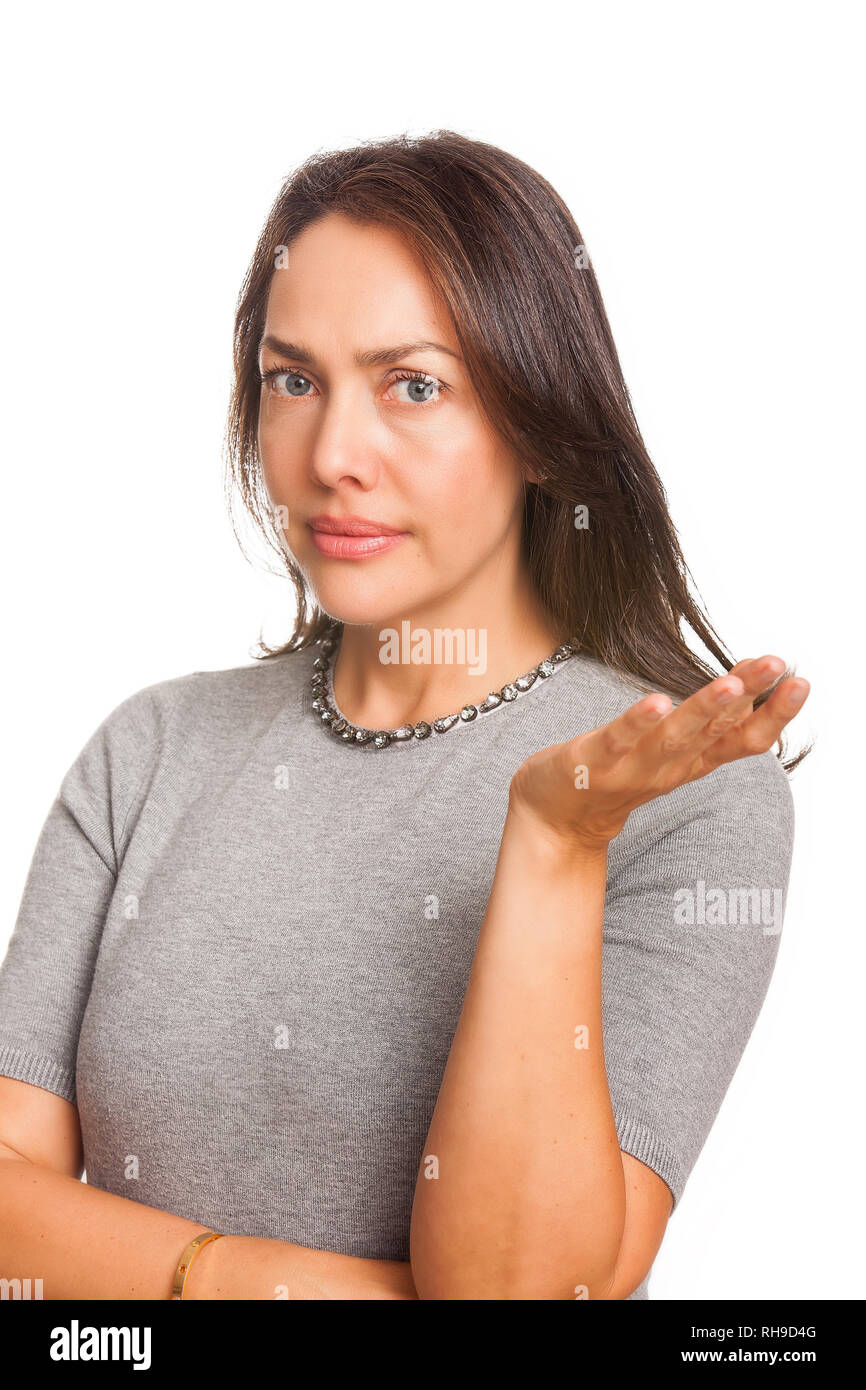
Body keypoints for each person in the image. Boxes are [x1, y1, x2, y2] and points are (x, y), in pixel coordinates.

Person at [0, 131, 810, 1300]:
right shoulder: (152, 750)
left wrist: (552, 839)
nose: (333, 455)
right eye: (293, 380)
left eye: (413, 385)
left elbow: (522, 1292)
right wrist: (245, 1285)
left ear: (536, 421)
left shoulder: (682, 790)